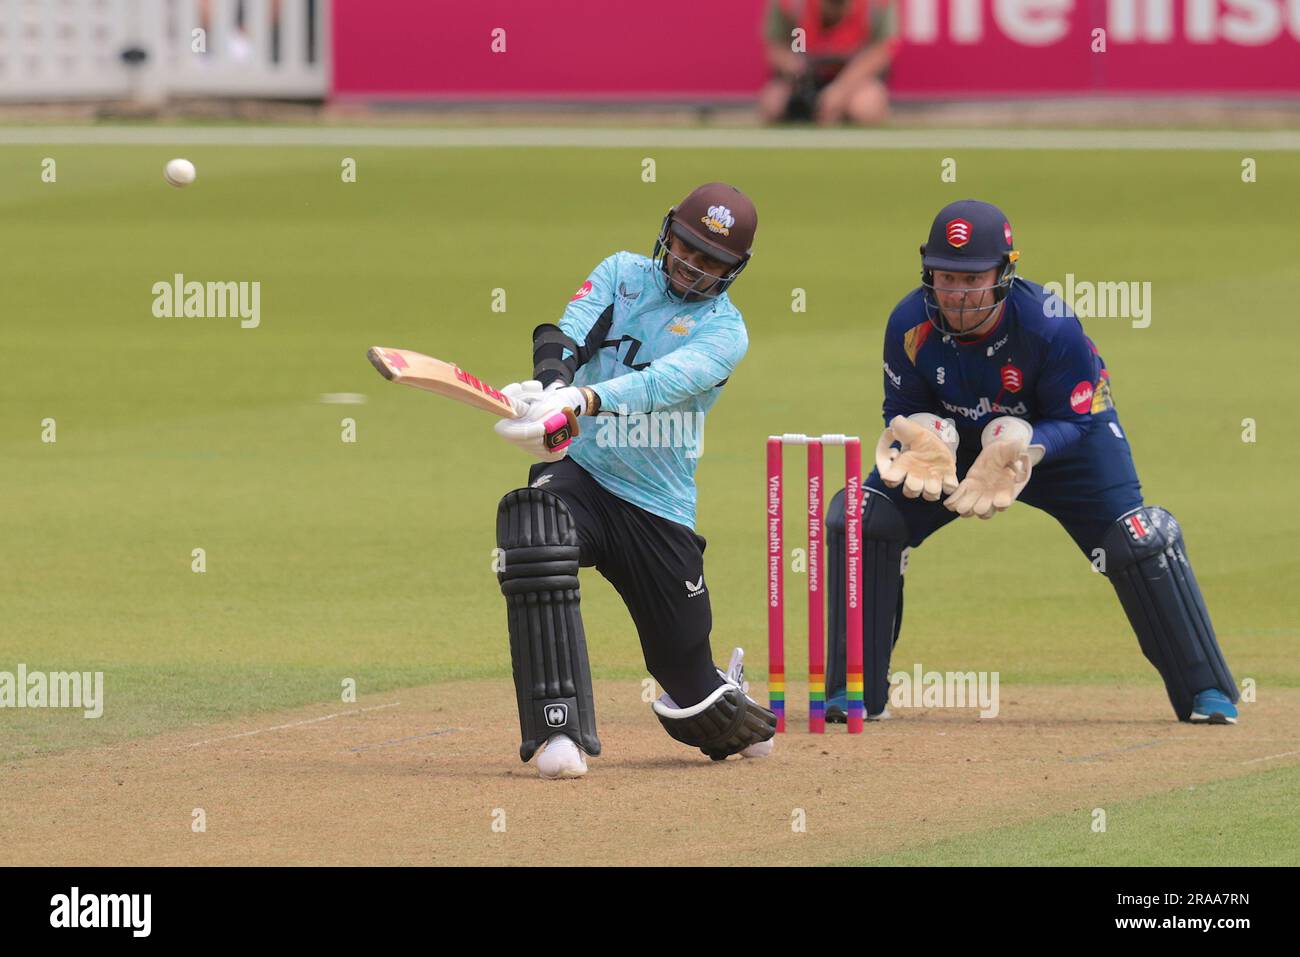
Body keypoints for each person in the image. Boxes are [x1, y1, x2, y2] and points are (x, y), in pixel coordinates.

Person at [820, 199, 1239, 726]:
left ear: (1004, 273)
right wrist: (928, 435)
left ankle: (1206, 691)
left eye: (973, 278)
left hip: (1062, 441)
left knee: (1137, 540)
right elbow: (900, 408)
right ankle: (851, 691)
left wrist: (1026, 449)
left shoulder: (1049, 323)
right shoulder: (908, 323)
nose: (957, 294)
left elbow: (1076, 418)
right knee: (861, 518)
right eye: (945, 277)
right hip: (955, 447)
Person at [492, 183, 778, 779]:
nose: (691, 265)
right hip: (580, 473)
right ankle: (556, 731)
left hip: (657, 504)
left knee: (693, 697)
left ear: (734, 271)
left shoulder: (726, 333)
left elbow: (658, 386)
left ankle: (725, 691)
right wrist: (549, 386)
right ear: (667, 231)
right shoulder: (623, 273)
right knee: (533, 531)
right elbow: (567, 335)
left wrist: (582, 397)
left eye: (711, 261)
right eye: (685, 247)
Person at [759, 0, 898, 126]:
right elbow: (776, 47)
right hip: (804, 79)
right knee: (773, 103)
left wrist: (839, 91)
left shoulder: (878, 4)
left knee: (865, 106)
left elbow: (879, 53)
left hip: (855, 80)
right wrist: (797, 72)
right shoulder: (791, 4)